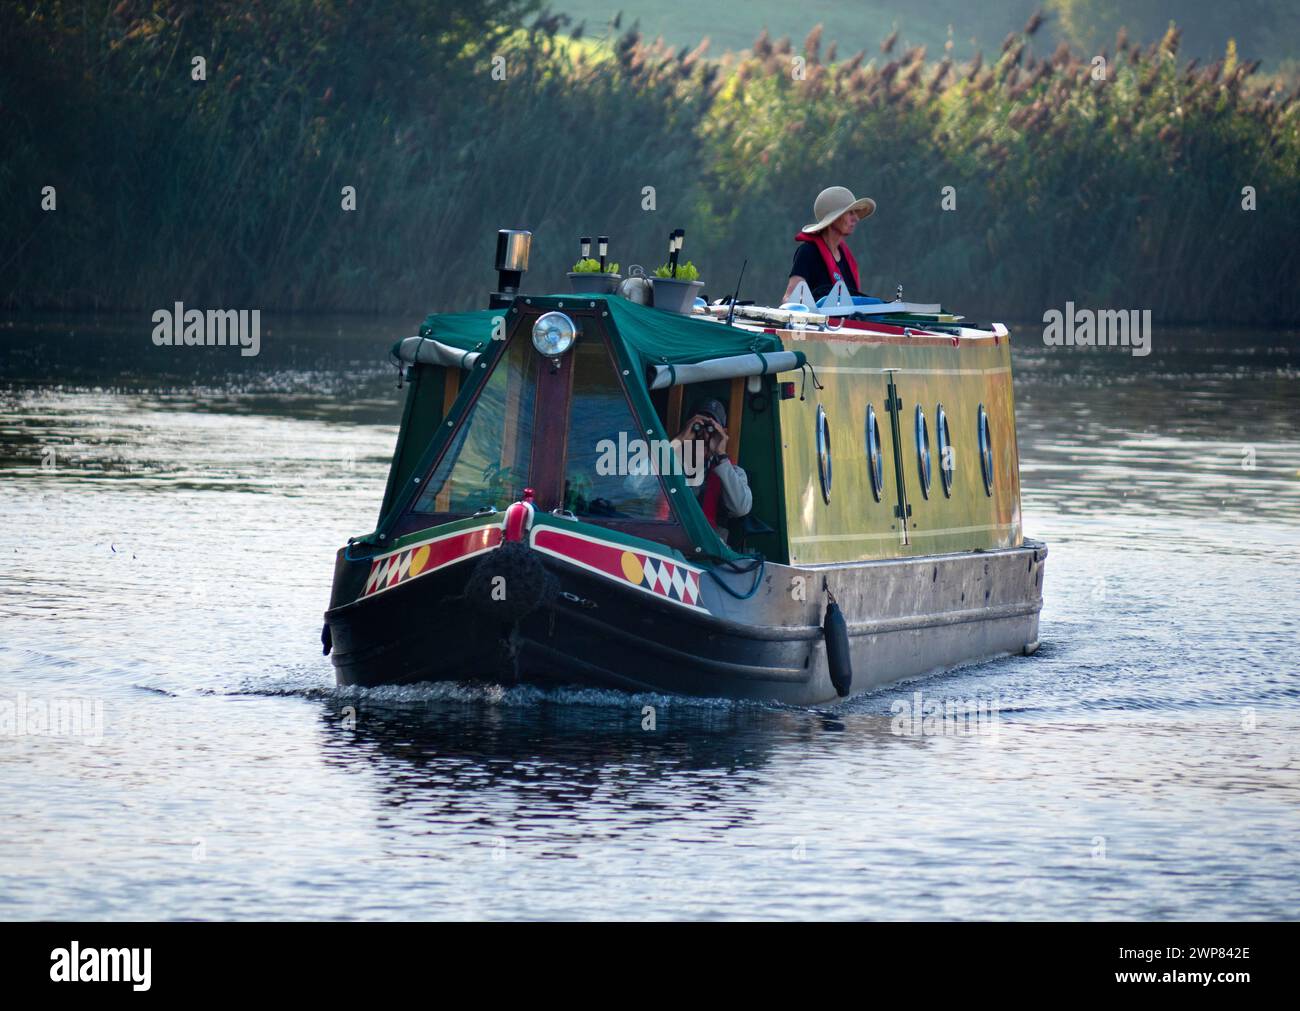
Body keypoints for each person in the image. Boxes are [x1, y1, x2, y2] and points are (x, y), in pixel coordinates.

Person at [782, 185, 882, 304]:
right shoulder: (808, 252)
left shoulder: (847, 260)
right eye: (850, 213)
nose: (856, 218)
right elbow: (790, 298)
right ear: (833, 218)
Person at [672, 398, 752, 539]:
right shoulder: (670, 462)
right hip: (668, 541)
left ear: (722, 433)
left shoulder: (733, 473)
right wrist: (678, 440)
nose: (704, 434)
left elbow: (741, 508)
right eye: (698, 427)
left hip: (707, 551)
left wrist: (721, 454)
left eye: (711, 429)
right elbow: (633, 485)